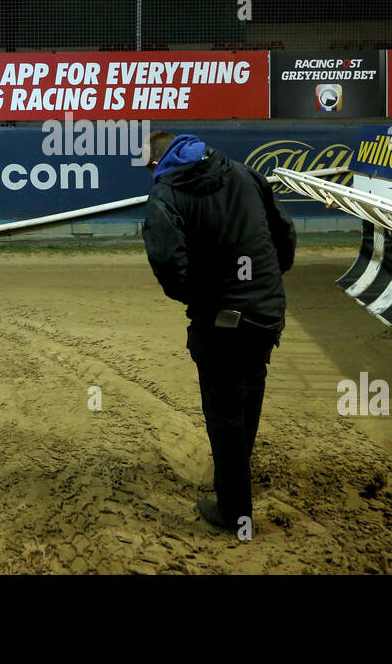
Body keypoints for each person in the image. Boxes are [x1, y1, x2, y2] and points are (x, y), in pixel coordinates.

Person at [141, 130, 297, 535]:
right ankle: (235, 480)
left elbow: (168, 265)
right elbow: (285, 236)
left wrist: (202, 297)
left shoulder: (165, 194)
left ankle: (236, 514)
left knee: (224, 414)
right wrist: (264, 282)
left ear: (158, 163)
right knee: (248, 397)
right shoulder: (245, 173)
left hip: (221, 320)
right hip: (266, 311)